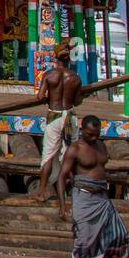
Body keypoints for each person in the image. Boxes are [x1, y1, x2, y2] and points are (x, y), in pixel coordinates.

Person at [57, 115, 129, 258]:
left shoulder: (101, 145)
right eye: (90, 135)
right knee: (84, 239)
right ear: (82, 131)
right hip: (83, 196)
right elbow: (62, 176)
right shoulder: (75, 149)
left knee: (113, 233)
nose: (94, 138)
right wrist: (63, 204)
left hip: (102, 196)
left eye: (97, 134)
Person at [35, 38, 83, 202]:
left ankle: (42, 191)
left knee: (48, 154)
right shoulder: (75, 77)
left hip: (54, 115)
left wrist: (49, 97)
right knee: (69, 153)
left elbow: (40, 96)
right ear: (69, 58)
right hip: (69, 116)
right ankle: (71, 191)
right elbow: (77, 101)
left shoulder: (50, 75)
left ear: (55, 57)